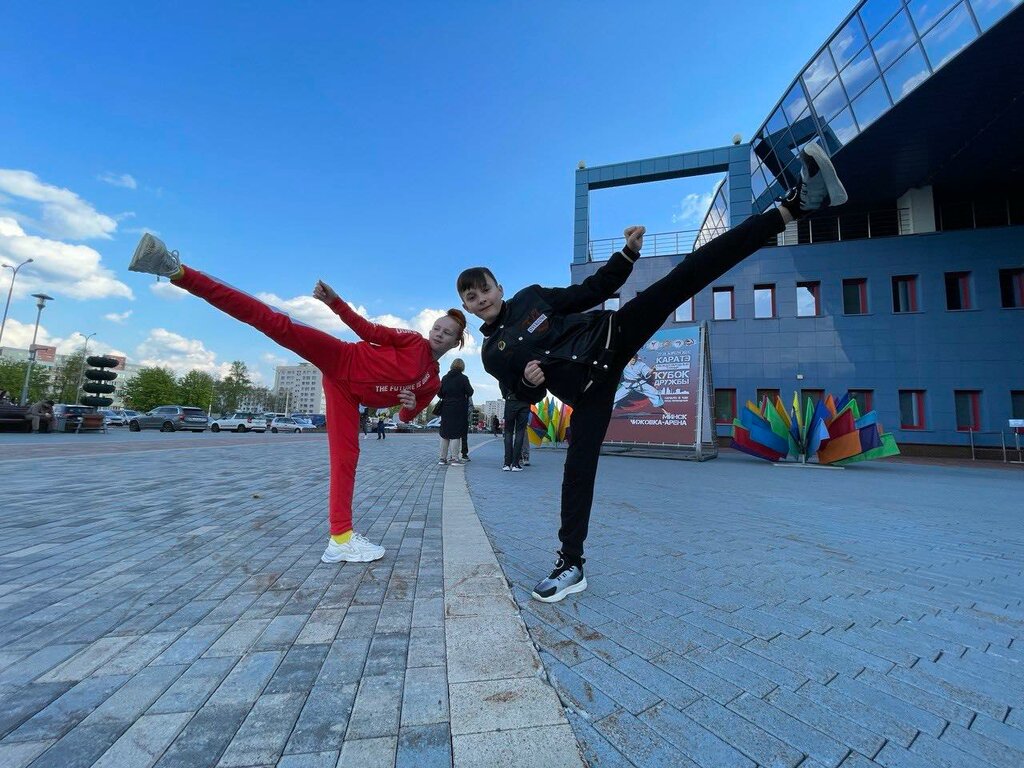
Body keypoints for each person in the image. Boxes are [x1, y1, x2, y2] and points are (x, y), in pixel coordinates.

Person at [458, 143, 847, 602]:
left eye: (485, 289)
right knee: (577, 473)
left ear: (498, 287)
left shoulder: (531, 298)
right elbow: (517, 400)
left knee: (685, 276)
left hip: (612, 337)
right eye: (472, 297)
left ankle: (793, 207)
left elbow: (594, 289)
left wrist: (627, 253)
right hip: (589, 393)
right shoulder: (492, 354)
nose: (481, 299)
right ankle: (571, 564)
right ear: (466, 306)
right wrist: (527, 383)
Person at [128, 233, 467, 564]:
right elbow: (367, 331)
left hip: (346, 397)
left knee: (346, 459)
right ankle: (177, 270)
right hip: (340, 358)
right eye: (437, 327)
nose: (438, 333)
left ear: (455, 344)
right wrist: (335, 302)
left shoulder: (432, 381)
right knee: (275, 322)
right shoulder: (411, 341)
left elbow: (406, 418)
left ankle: (341, 540)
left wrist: (406, 408)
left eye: (447, 333)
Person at [437, 358, 473, 465]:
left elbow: (439, 393)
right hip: (459, 410)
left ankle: (442, 459)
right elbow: (470, 392)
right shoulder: (464, 378)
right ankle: (454, 458)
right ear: (462, 367)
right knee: (455, 434)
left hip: (446, 409)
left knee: (444, 434)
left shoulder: (445, 378)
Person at [502, 396, 531, 471]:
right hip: (525, 401)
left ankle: (507, 464)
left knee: (508, 433)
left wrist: (507, 395)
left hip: (510, 400)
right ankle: (515, 464)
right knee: (520, 432)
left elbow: (503, 385)